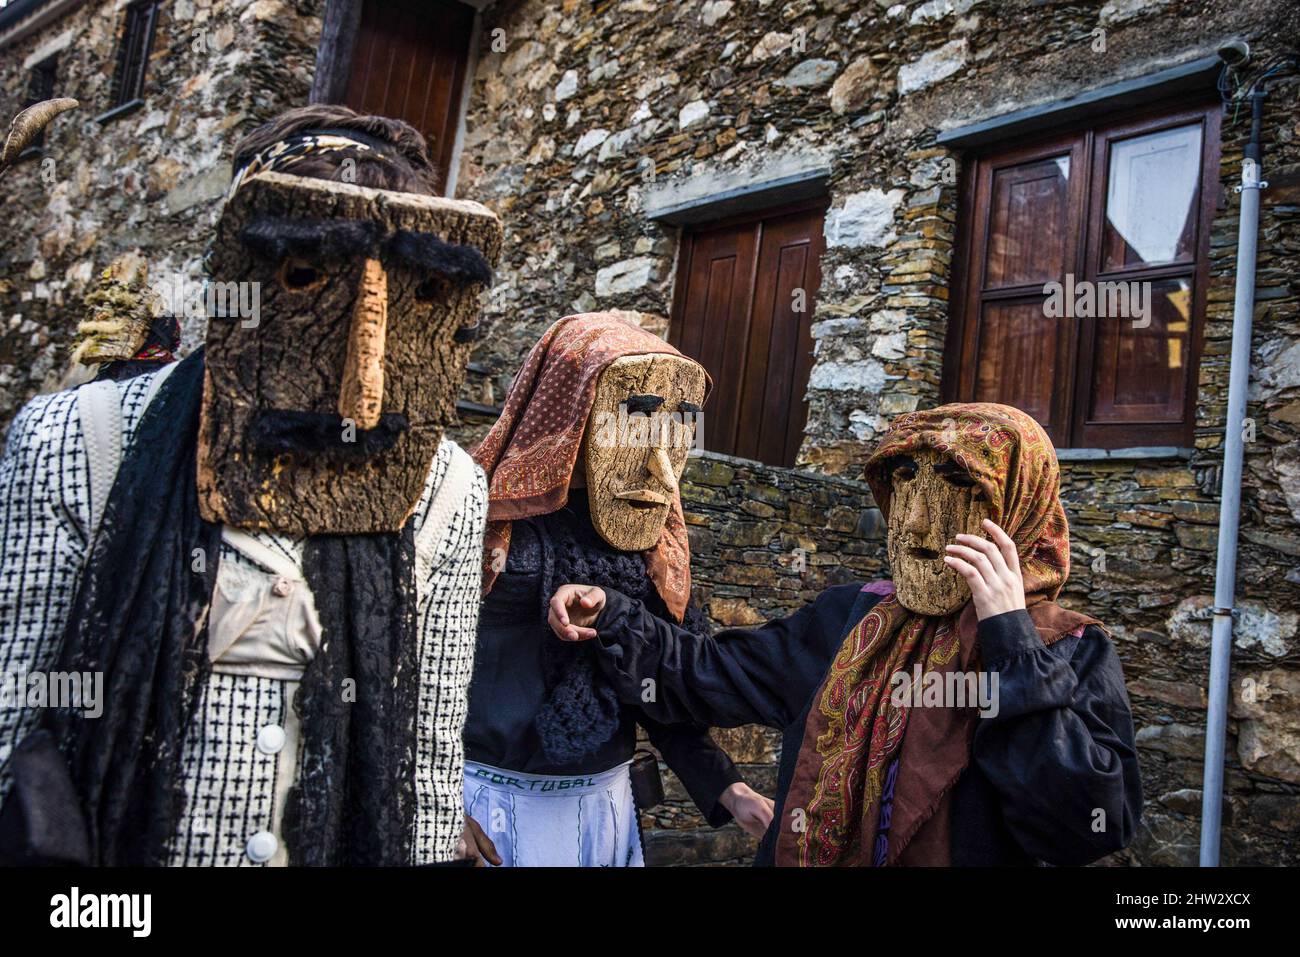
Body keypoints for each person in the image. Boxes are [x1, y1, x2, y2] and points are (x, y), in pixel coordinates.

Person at [0, 104, 502, 867]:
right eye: (305, 276)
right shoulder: (84, 439)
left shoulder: (446, 488)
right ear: (237, 270)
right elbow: (15, 705)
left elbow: (424, 745)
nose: (360, 380)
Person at [548, 403, 1142, 866]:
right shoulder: (849, 617)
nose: (914, 520)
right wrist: (614, 616)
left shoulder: (1068, 646)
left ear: (1020, 504)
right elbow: (710, 673)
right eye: (903, 482)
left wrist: (1011, 641)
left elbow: (1084, 824)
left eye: (959, 485)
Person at [463, 313, 773, 866]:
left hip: (604, 810)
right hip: (484, 807)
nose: (659, 462)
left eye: (679, 426)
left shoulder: (649, 541)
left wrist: (727, 786)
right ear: (572, 405)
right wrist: (437, 806)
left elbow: (657, 677)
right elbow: (410, 668)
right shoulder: (483, 518)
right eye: (637, 416)